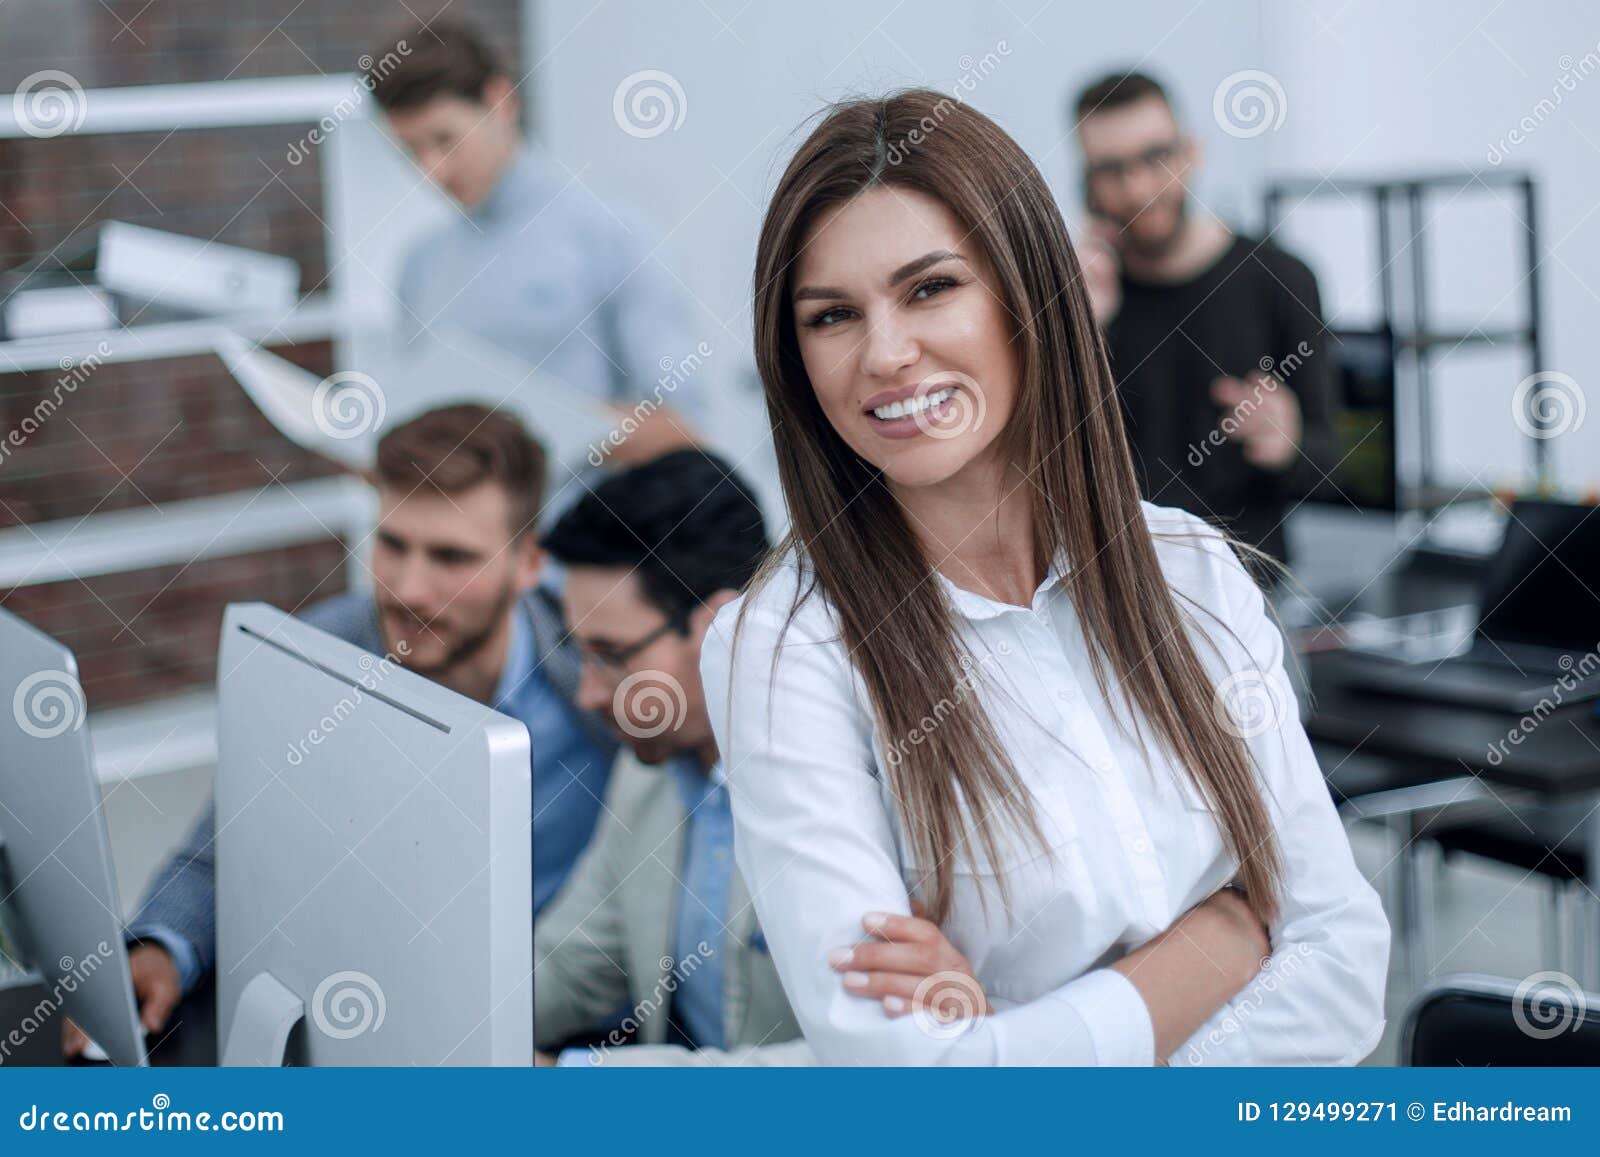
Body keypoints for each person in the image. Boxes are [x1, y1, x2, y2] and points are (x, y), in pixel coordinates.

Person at [701, 90, 1389, 1066]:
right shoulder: (784, 649)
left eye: (931, 287)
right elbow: (916, 1079)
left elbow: (1346, 963)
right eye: (832, 315)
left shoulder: (1192, 573)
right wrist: (1222, 938)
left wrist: (1019, 1038)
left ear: (1030, 298)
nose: (886, 353)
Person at [69, 405, 616, 1056]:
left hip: (534, 1025)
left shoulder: (598, 679)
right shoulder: (321, 649)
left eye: (451, 556)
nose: (408, 588)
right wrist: (159, 944)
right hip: (350, 1017)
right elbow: (229, 845)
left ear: (527, 564)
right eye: (392, 543)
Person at [367, 19, 700, 470]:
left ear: (500, 101)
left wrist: (539, 430)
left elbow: (683, 429)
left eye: (444, 139)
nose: (432, 171)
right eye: (411, 150)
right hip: (461, 534)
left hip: (586, 533)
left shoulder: (612, 235)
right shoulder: (419, 263)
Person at [1072, 70, 1337, 567]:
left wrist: (1288, 442)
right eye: (1111, 170)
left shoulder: (1282, 279)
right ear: (1087, 186)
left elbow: (1330, 466)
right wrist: (1081, 329)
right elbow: (1042, 466)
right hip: (1118, 589)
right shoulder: (1081, 300)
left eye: (1154, 158)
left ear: (1190, 154)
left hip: (1250, 587)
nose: (1137, 188)